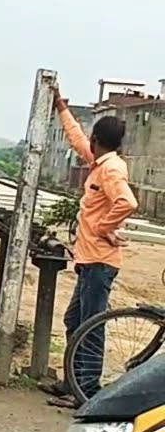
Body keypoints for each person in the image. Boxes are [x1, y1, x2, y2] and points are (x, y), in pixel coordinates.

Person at [42, 84, 138, 408]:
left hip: (100, 263)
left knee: (90, 327)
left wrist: (102, 227)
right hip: (90, 260)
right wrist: (62, 109)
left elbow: (127, 202)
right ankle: (74, 381)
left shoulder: (111, 170)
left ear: (98, 141)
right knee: (75, 322)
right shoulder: (101, 162)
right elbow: (77, 140)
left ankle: (86, 392)